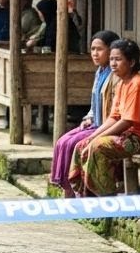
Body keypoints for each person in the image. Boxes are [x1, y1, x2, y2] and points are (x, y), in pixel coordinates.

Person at [66, 39, 140, 197]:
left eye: (118, 59)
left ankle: (107, 196)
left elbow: (127, 121)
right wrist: (93, 135)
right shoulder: (122, 83)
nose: (113, 63)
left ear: (131, 62)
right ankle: (85, 195)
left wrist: (99, 138)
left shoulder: (138, 84)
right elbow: (114, 117)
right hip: (130, 136)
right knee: (81, 144)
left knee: (98, 147)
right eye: (111, 59)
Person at [49, 30, 120, 195]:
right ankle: (67, 189)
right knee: (63, 141)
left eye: (99, 49)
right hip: (95, 122)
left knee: (75, 144)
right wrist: (89, 117)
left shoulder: (115, 75)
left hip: (107, 125)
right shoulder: (100, 72)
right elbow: (95, 102)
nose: (95, 53)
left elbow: (115, 109)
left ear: (111, 50)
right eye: (93, 49)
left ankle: (79, 190)